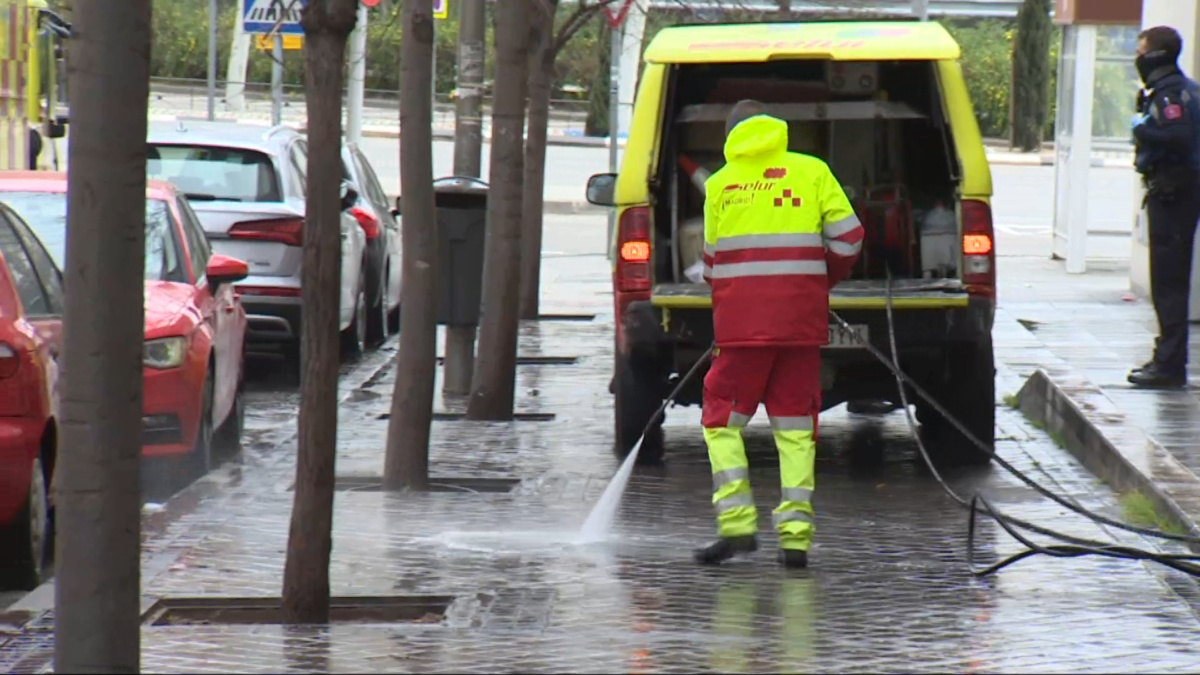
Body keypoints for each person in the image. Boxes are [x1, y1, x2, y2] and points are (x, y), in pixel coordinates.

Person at [695, 100, 863, 568]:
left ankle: (737, 525)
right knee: (795, 428)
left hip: (741, 329)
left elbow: (710, 264)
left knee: (720, 421)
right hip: (800, 327)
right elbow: (850, 238)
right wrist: (814, 281)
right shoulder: (811, 172)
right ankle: (795, 539)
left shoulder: (719, 185)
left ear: (731, 137)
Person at [1129, 26, 1200, 389]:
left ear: (1155, 55)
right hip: (1179, 193)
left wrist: (1142, 130)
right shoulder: (1186, 90)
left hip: (1174, 194)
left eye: (1141, 51)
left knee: (1168, 283)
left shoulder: (1172, 94)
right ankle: (1168, 359)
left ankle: (1169, 365)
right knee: (1171, 281)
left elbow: (1178, 137)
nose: (1137, 58)